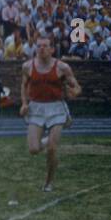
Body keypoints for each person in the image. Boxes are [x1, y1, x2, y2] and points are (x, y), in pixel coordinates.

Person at [20, 36, 82, 191]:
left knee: (53, 148)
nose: (41, 48)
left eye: (45, 46)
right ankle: (48, 140)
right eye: (38, 45)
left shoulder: (62, 67)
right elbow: (24, 85)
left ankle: (49, 182)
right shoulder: (27, 66)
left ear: (52, 49)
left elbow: (76, 86)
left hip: (56, 107)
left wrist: (75, 92)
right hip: (36, 108)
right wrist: (24, 103)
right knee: (33, 149)